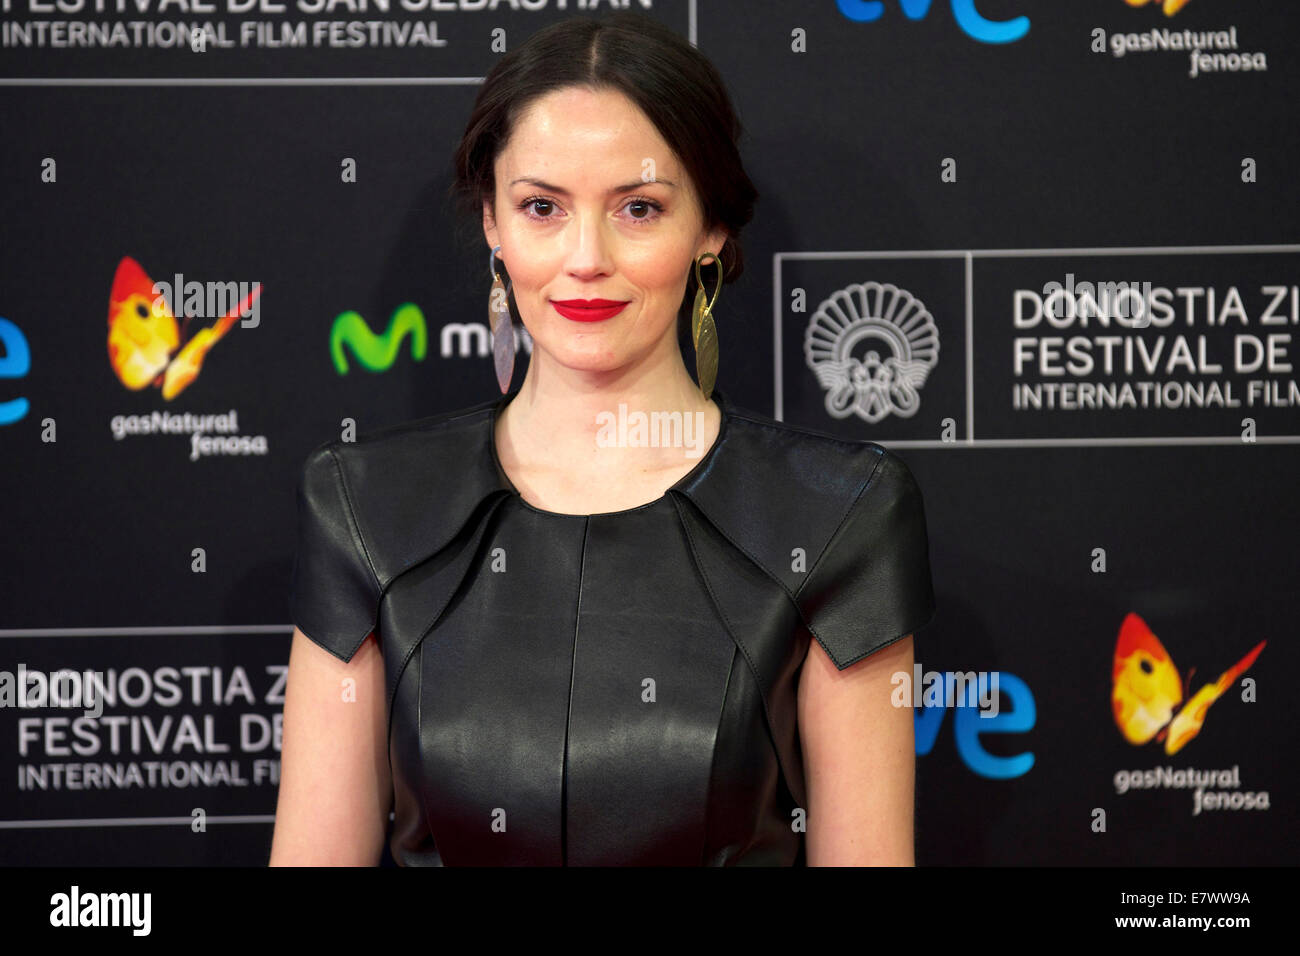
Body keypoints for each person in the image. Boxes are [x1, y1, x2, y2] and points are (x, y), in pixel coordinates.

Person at [269, 11, 936, 867]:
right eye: (542, 206)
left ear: (711, 229)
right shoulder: (362, 507)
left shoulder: (838, 513)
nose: (587, 257)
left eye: (640, 207)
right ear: (492, 225)